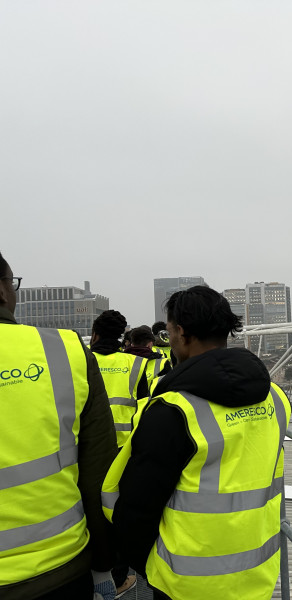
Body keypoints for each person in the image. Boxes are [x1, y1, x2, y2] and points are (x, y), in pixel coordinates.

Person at [103, 286, 291, 599]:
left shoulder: (173, 410)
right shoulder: (275, 397)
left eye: (171, 330)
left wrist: (143, 563)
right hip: (257, 574)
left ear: (181, 332)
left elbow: (138, 506)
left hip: (186, 582)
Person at [0, 251, 118, 600]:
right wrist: (104, 562)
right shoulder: (64, 350)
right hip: (57, 567)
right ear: (4, 291)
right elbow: (98, 472)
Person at [90, 311, 149, 448]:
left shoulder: (83, 358)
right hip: (126, 444)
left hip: (88, 442)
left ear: (94, 335)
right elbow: (143, 406)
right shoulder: (135, 363)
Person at [125, 325, 171, 392]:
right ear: (150, 345)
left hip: (125, 402)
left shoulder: (122, 360)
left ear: (132, 344)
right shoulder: (162, 363)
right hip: (153, 401)